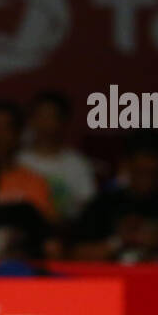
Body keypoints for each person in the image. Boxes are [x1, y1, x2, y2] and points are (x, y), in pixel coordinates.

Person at [70, 129, 158, 261]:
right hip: (115, 279)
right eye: (140, 172)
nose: (146, 179)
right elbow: (75, 255)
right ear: (127, 164)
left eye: (153, 173)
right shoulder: (104, 204)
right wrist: (119, 241)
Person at [19, 91, 97, 221]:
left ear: (63, 121)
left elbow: (88, 204)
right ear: (31, 120)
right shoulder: (18, 160)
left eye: (52, 117)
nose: (45, 123)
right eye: (41, 116)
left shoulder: (76, 162)